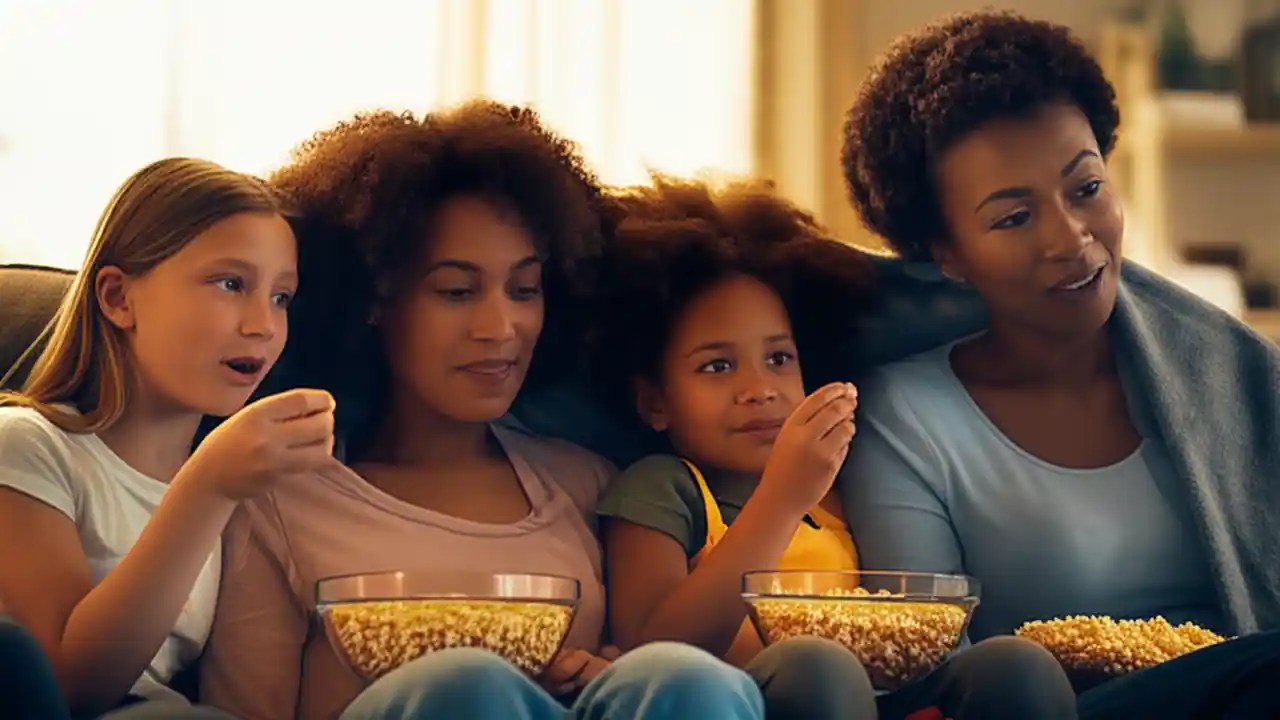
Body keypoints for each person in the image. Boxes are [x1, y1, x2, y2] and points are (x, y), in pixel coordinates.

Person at [199, 102, 764, 720]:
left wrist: (608, 681)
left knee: (683, 677)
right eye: (457, 291)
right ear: (374, 300)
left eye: (524, 290)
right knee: (469, 685)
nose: (500, 328)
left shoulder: (587, 484)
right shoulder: (277, 504)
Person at [841, 11, 1280, 720]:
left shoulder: (1229, 376)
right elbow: (926, 673)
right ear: (946, 254)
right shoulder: (908, 419)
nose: (1071, 238)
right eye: (1014, 218)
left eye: (1086, 189)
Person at [592, 176, 1075, 720]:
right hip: (760, 700)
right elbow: (653, 652)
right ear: (654, 402)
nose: (760, 388)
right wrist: (782, 500)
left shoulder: (839, 486)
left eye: (779, 359)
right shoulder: (662, 488)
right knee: (818, 665)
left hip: (879, 698)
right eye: (718, 366)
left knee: (1014, 664)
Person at [0, 157, 335, 719]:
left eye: (281, 297)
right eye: (231, 284)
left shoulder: (247, 486)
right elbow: (65, 689)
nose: (263, 325)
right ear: (117, 298)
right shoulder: (28, 446)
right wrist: (207, 487)